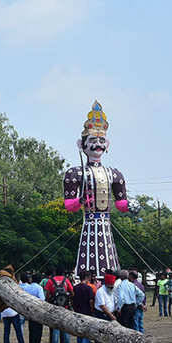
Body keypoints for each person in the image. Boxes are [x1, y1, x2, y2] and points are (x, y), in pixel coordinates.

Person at [62, 101, 129, 279]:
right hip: (89, 224)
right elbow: (69, 205)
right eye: (92, 140)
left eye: (101, 141)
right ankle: (86, 278)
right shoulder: (75, 173)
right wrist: (81, 200)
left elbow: (122, 204)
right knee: (88, 255)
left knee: (108, 253)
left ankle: (108, 278)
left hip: (106, 224)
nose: (97, 145)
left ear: (107, 144)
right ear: (81, 145)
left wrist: (130, 205)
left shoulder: (115, 174)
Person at [44, 268, 73, 343]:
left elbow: (47, 294)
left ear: (55, 273)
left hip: (55, 307)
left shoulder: (50, 281)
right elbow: (72, 292)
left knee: (55, 329)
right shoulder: (66, 280)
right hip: (65, 307)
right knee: (65, 329)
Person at [94, 272, 118, 343]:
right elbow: (102, 306)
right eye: (110, 284)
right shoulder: (100, 291)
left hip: (110, 313)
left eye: (113, 284)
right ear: (106, 283)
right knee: (102, 332)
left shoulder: (111, 290)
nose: (112, 286)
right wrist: (111, 316)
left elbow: (114, 300)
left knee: (109, 332)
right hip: (102, 314)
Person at [20, 272, 45, 343]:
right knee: (38, 331)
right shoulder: (39, 288)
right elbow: (42, 299)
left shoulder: (28, 287)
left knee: (31, 330)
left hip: (30, 311)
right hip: (38, 311)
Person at [72, 271, 96, 343]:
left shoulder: (75, 288)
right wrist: (92, 309)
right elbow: (91, 301)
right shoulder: (88, 288)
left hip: (78, 311)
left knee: (79, 331)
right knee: (86, 332)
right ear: (87, 277)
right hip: (87, 311)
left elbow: (72, 299)